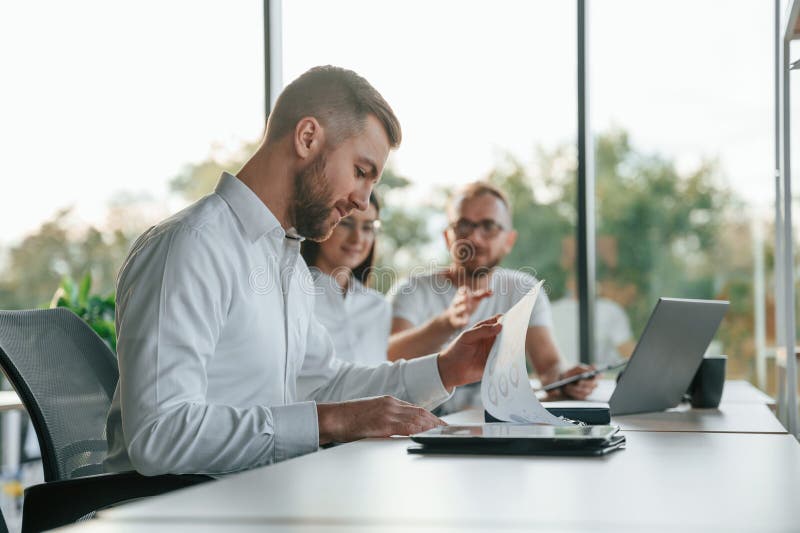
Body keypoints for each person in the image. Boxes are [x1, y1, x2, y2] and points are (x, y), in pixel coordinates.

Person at [104, 66, 502, 477]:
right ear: (307, 137)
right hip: (179, 512)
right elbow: (159, 435)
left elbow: (324, 383)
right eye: (361, 172)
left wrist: (447, 368)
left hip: (257, 495)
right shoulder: (192, 245)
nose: (364, 202)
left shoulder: (285, 260)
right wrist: (332, 421)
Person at [388, 181, 595, 412]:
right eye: (463, 225)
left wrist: (569, 380)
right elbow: (388, 360)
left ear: (509, 241)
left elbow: (549, 368)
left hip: (497, 428)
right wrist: (446, 323)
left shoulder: (524, 289)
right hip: (419, 430)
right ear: (448, 237)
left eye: (489, 226)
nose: (475, 238)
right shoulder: (412, 289)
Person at [300, 192, 389, 365]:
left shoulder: (379, 307)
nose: (357, 239)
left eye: (367, 227)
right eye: (346, 223)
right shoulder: (294, 295)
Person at [550, 276, 635, 367]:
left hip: (562, 378)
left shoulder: (550, 309)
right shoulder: (610, 310)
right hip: (600, 378)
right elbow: (630, 354)